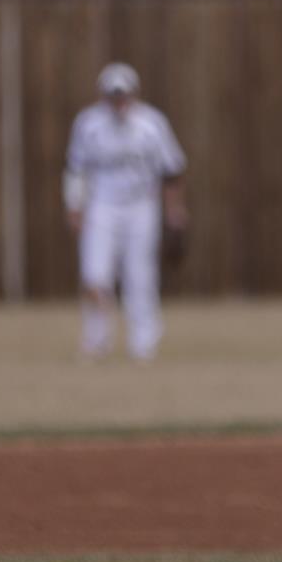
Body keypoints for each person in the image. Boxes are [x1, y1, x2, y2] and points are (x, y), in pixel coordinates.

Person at [62, 61, 188, 362]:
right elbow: (75, 169)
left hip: (141, 205)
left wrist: (175, 209)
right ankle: (96, 339)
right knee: (94, 273)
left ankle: (143, 343)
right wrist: (74, 207)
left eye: (123, 95)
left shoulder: (152, 124)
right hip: (101, 205)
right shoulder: (88, 124)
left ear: (134, 94)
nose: (119, 102)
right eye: (113, 95)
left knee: (139, 275)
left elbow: (171, 170)